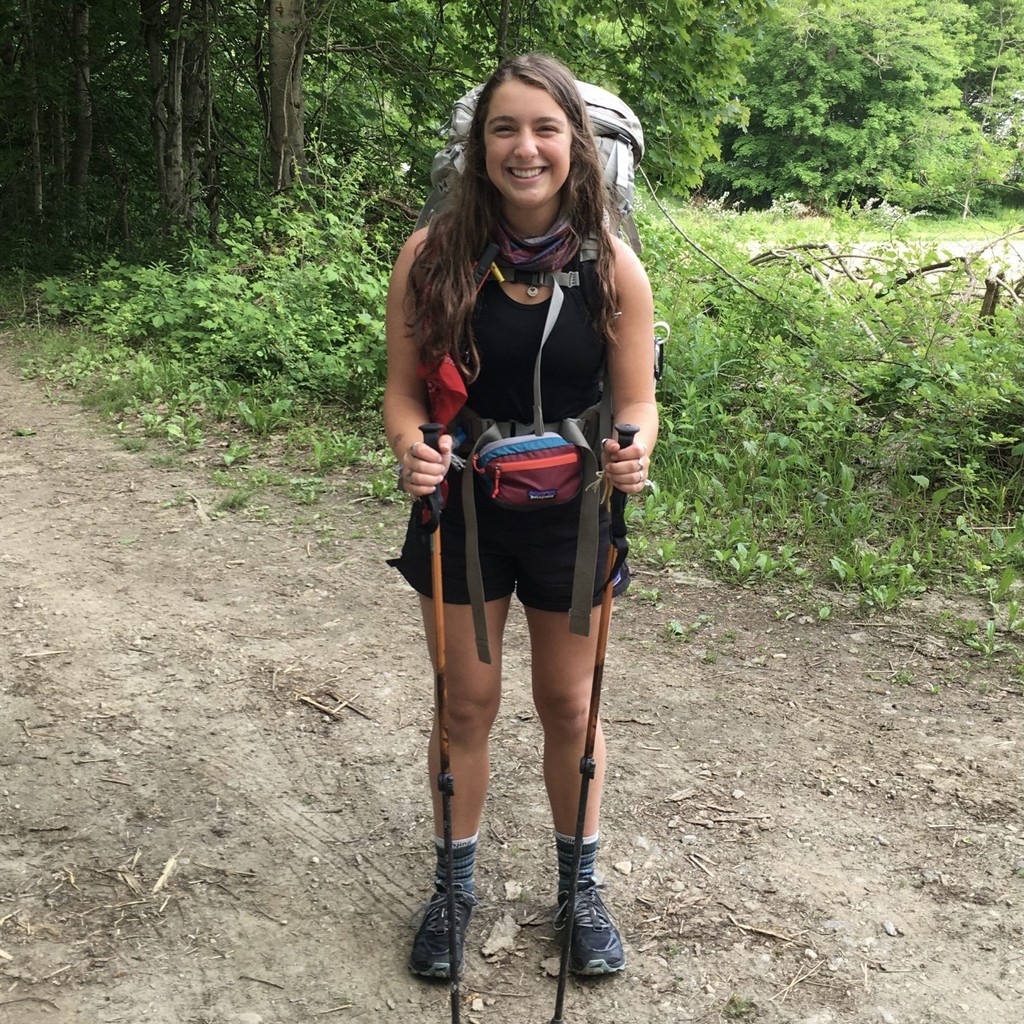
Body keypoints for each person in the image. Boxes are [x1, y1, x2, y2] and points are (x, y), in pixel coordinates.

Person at [382, 52, 658, 981]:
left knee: (569, 706)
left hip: (574, 519)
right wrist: (413, 446)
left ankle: (578, 891)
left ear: (576, 145)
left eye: (545, 128)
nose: (525, 147)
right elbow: (401, 395)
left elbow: (638, 398)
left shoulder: (612, 266)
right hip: (460, 512)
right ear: (477, 146)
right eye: (505, 128)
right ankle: (453, 891)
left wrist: (634, 445)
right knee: (465, 703)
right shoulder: (430, 258)